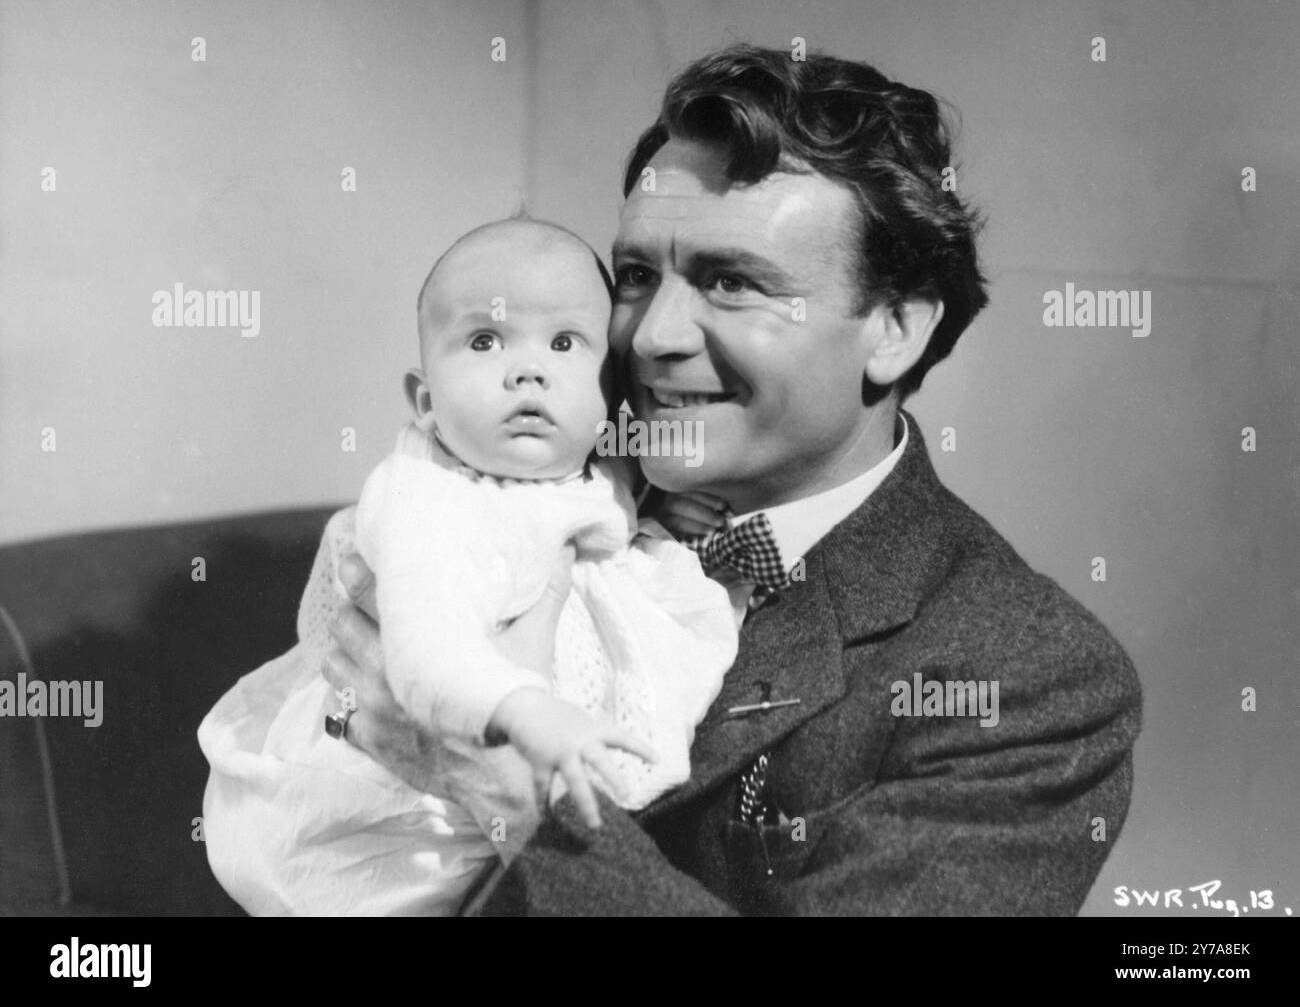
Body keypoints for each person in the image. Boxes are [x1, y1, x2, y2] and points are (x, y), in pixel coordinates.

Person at [322, 44, 1144, 916]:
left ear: (895, 329)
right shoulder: (513, 482)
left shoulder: (1029, 677)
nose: (651, 337)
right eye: (638, 277)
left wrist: (508, 791)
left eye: (731, 282)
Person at [197, 219, 738, 916]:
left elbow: (603, 497)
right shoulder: (429, 503)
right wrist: (529, 712)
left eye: (565, 343)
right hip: (396, 812)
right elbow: (427, 657)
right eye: (485, 341)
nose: (527, 368)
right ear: (426, 401)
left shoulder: (590, 467)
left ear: (608, 397)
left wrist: (661, 516)